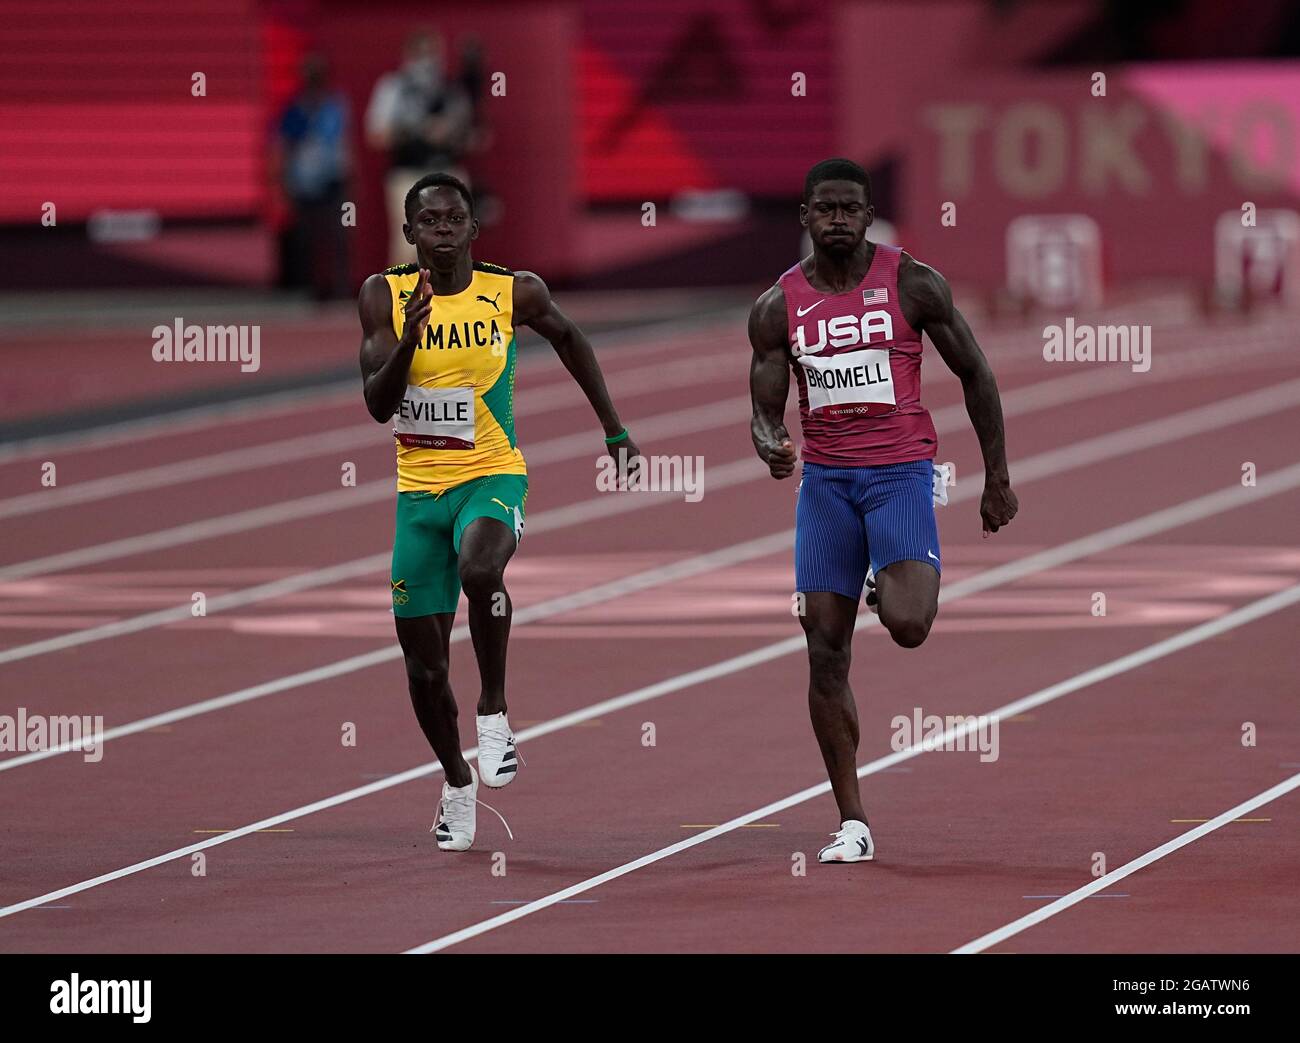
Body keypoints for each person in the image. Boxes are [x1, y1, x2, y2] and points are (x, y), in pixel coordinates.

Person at [357, 172, 641, 851]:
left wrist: (614, 429)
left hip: (492, 474)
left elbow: (571, 340)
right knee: (424, 669)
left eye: (455, 218)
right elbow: (377, 402)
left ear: (474, 228)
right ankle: (458, 780)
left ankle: (493, 709)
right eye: (430, 221)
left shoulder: (512, 290)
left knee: (481, 567)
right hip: (418, 494)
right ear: (410, 233)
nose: (444, 230)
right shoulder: (384, 295)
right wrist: (408, 340)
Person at [747, 158, 1019, 864]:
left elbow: (976, 374)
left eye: (850, 209)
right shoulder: (777, 306)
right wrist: (770, 438)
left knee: (908, 624)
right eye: (825, 209)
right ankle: (853, 820)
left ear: (869, 217)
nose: (837, 219)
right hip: (828, 488)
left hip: (898, 476)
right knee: (824, 650)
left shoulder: (913, 284)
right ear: (804, 216)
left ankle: (884, 583)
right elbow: (764, 405)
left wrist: (997, 477)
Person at [365, 31, 474, 266]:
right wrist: (414, 131)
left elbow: (474, 135)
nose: (428, 61)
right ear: (409, 56)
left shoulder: (450, 88)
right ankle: (403, 299)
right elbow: (376, 136)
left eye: (433, 54)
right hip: (408, 174)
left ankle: (454, 300)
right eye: (422, 54)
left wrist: (449, 132)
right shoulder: (393, 88)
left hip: (447, 172)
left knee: (455, 242)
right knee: (409, 243)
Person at [275, 54, 350, 300]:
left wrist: (351, 177)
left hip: (334, 179)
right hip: (305, 183)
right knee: (308, 237)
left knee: (339, 234)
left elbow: (345, 142)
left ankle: (340, 285)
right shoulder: (295, 110)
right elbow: (284, 147)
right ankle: (311, 287)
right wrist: (283, 182)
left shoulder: (335, 106)